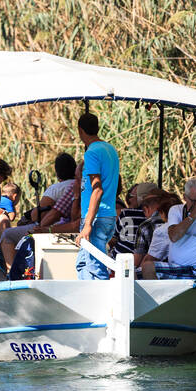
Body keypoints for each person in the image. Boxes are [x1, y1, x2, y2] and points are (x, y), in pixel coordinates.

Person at [0, 154, 79, 269]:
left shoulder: (56, 188)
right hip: (69, 228)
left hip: (53, 228)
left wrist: (32, 214)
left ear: (57, 172)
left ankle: (11, 271)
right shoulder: (80, 186)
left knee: (8, 235)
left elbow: (38, 216)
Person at [74, 110, 120, 281]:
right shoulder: (110, 149)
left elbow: (97, 189)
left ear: (80, 130)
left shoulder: (92, 152)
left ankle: (103, 303)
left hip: (96, 217)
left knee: (95, 266)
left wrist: (87, 224)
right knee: (83, 264)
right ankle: (86, 301)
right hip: (108, 216)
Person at [133, 191, 180, 274]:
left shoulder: (160, 230)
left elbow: (149, 259)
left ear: (162, 212)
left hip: (172, 271)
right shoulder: (192, 224)